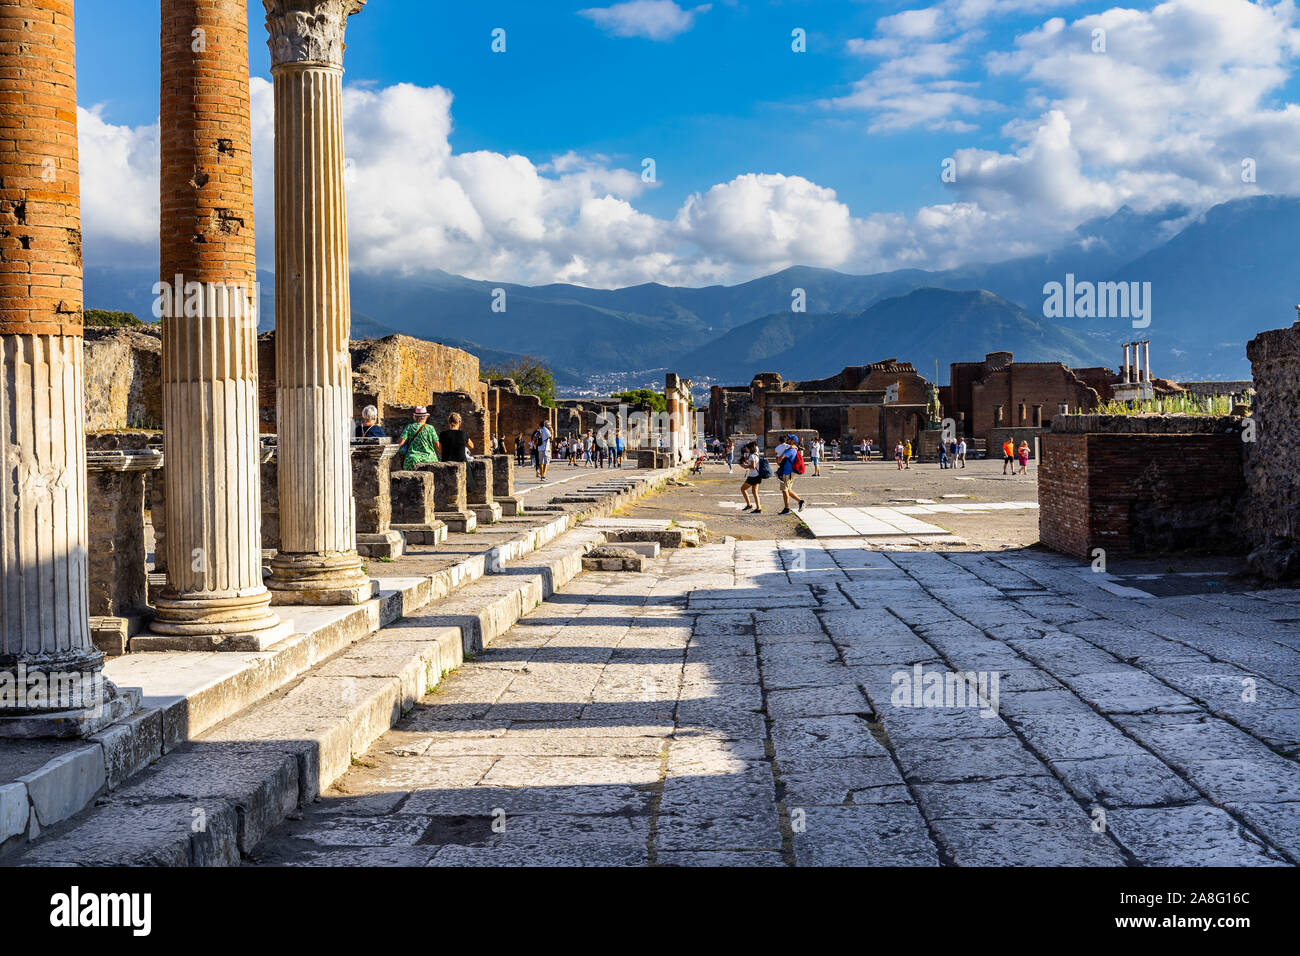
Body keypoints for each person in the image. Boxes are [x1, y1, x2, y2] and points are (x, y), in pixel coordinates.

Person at [773, 433, 806, 515]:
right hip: (789, 472)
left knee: (784, 490)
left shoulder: (790, 450)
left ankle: (786, 508)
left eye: (789, 439)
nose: (787, 440)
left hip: (787, 473)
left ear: (792, 441)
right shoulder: (792, 448)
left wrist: (777, 458)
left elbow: (780, 460)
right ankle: (800, 501)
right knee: (788, 490)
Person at [740, 441, 763, 513]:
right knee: (754, 492)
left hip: (753, 476)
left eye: (747, 448)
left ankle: (749, 504)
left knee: (743, 489)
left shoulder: (752, 456)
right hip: (758, 475)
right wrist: (746, 463)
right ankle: (758, 508)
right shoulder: (756, 454)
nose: (746, 449)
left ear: (750, 448)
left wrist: (745, 466)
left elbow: (753, 466)